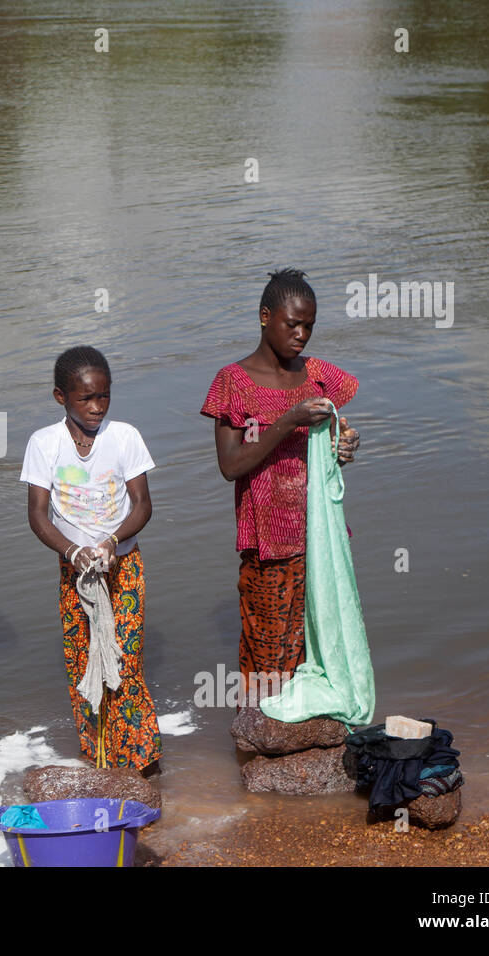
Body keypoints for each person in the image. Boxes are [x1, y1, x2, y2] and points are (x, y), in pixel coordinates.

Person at [200, 269, 362, 707]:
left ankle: (312, 731)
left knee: (320, 638)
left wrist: (344, 444)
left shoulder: (319, 376)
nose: (301, 335)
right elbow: (231, 466)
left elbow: (336, 434)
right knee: (268, 647)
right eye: (292, 323)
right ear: (264, 316)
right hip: (268, 540)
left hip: (320, 535)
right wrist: (288, 419)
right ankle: (261, 733)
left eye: (309, 325)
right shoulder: (233, 382)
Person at [20, 346, 163, 774]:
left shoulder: (125, 437)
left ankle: (140, 761)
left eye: (105, 395)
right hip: (76, 573)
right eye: (86, 398)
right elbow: (37, 514)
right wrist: (74, 551)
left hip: (124, 567)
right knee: (84, 660)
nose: (98, 406)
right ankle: (98, 752)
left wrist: (112, 540)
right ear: (60, 397)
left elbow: (142, 505)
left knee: (124, 660)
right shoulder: (45, 444)